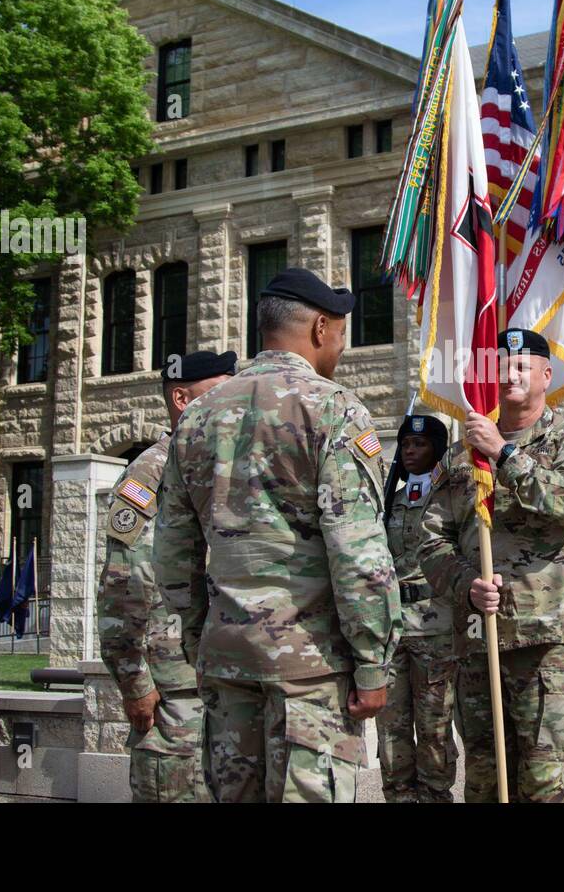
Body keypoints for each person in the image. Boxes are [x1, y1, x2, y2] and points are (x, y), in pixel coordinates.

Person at [152, 267, 401, 803]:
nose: (340, 344)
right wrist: (372, 661)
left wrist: (202, 641)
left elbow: (172, 553)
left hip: (226, 660)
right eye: (339, 331)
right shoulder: (333, 409)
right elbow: (358, 552)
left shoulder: (196, 418)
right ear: (318, 329)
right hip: (308, 671)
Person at [417, 328, 564, 802]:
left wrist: (503, 453)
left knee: (546, 782)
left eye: (522, 365)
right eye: (501, 364)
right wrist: (464, 584)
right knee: (485, 779)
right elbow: (429, 537)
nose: (509, 372)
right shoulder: (463, 457)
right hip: (479, 639)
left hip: (546, 642)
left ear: (547, 375)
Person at [97, 349, 234, 802]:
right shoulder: (152, 472)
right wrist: (135, 682)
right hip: (172, 685)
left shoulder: (217, 467)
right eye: (216, 393)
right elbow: (124, 588)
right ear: (180, 398)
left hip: (219, 675)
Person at [378, 413, 459, 802]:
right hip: (393, 627)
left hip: (435, 626)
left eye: (420, 444)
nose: (410, 451)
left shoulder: (448, 498)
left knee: (434, 727)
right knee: (390, 729)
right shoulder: (388, 500)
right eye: (405, 444)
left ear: (438, 450)